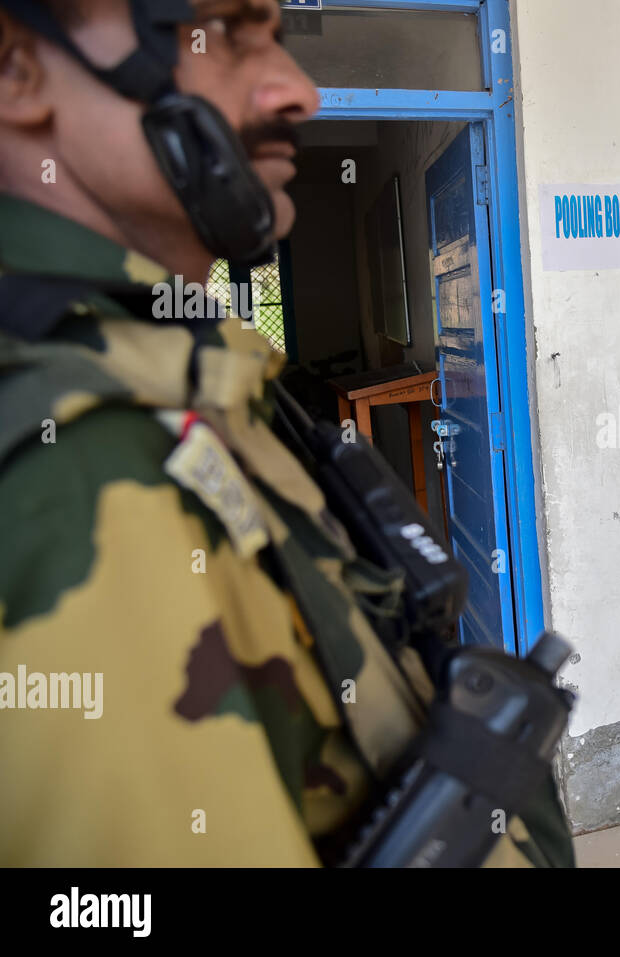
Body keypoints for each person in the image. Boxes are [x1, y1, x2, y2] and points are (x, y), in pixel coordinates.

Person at [0, 0, 573, 867]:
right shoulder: (70, 461)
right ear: (17, 72)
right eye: (221, 31)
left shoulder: (191, 376)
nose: (299, 89)